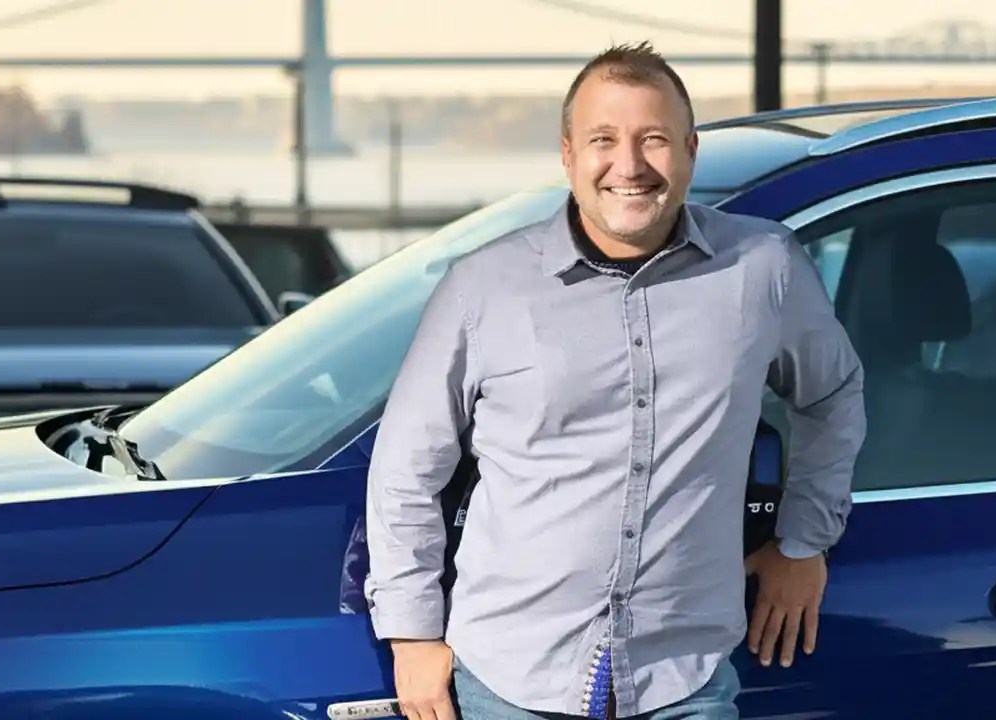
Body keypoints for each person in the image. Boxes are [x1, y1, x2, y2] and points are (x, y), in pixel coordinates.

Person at [365, 41, 866, 720]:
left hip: (684, 678)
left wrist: (805, 540)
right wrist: (411, 634)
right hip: (511, 681)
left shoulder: (762, 269)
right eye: (603, 139)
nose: (628, 166)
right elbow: (404, 469)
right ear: (568, 153)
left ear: (690, 151)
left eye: (653, 139)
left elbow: (832, 396)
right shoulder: (484, 289)